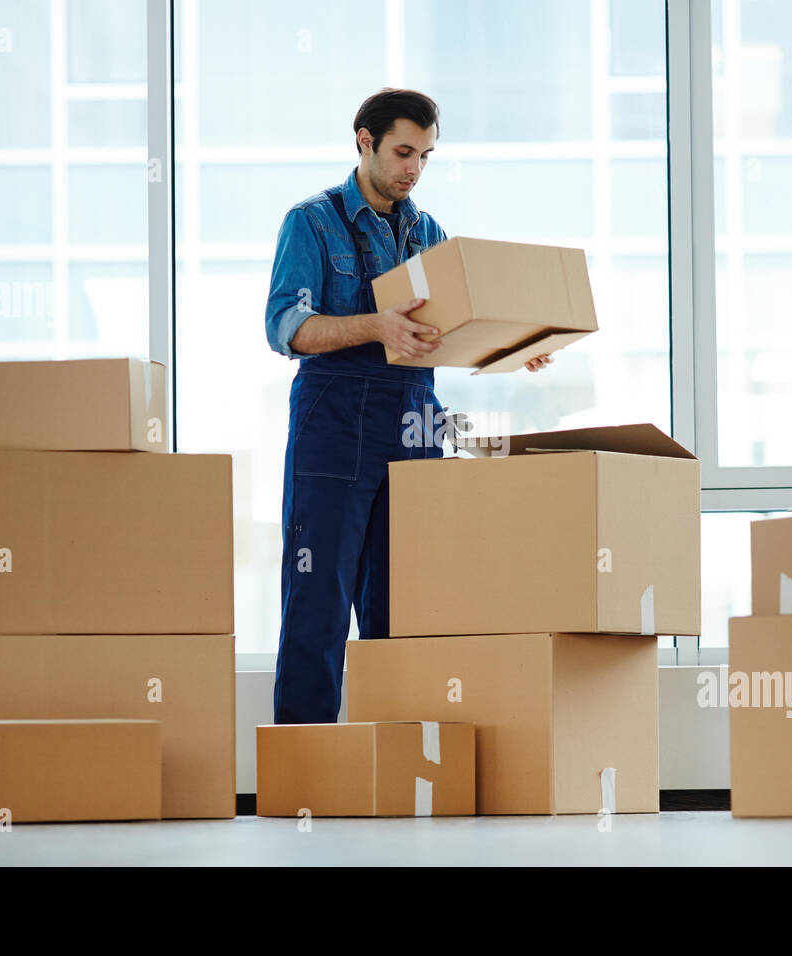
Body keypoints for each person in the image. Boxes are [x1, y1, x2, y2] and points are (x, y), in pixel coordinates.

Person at [265, 88, 552, 723]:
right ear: (363, 142)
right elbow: (286, 327)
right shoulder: (310, 222)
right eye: (402, 152)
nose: (413, 169)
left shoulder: (429, 234)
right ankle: (306, 765)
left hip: (416, 421)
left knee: (405, 604)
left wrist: (516, 346)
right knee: (319, 600)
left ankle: (394, 765)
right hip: (334, 422)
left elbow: (453, 331)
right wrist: (375, 326)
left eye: (424, 155)